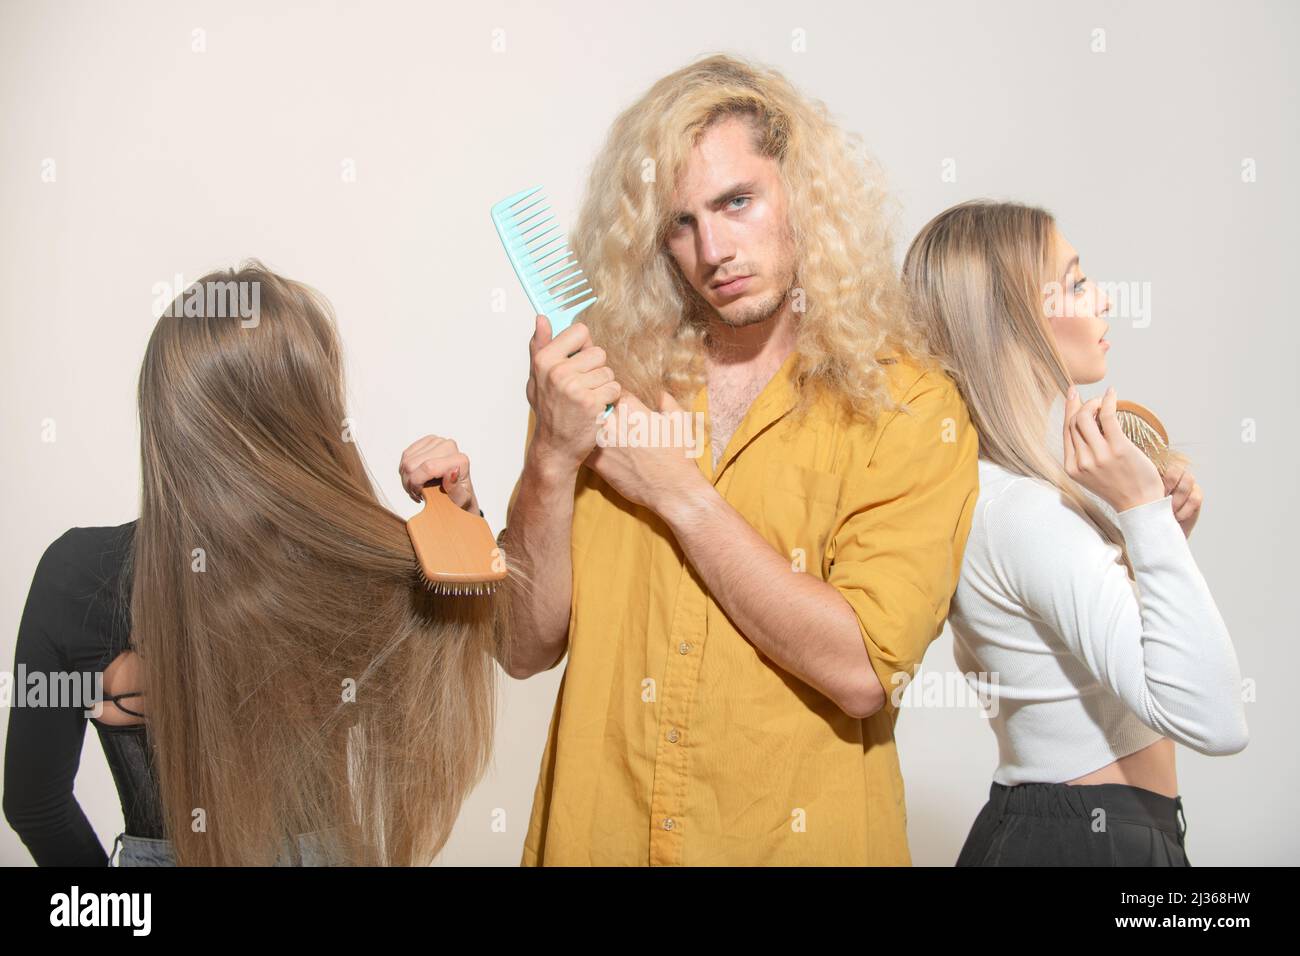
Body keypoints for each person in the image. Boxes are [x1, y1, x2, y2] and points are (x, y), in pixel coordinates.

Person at [404, 54, 979, 865]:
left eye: (737, 201)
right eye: (681, 223)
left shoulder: (907, 405)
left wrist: (682, 496)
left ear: (803, 194)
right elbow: (523, 646)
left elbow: (860, 670)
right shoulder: (613, 384)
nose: (714, 249)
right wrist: (552, 460)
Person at [4, 262, 504, 866]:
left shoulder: (76, 573)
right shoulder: (362, 571)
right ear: (306, 415)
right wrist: (456, 518)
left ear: (165, 414)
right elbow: (468, 654)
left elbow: (34, 802)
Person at [901, 200, 1249, 866]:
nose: (1106, 300)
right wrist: (1143, 511)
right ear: (1014, 320)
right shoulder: (1025, 513)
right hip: (1085, 844)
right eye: (1078, 282)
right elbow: (1215, 718)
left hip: (1069, 833)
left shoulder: (1001, 494)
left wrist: (1155, 540)